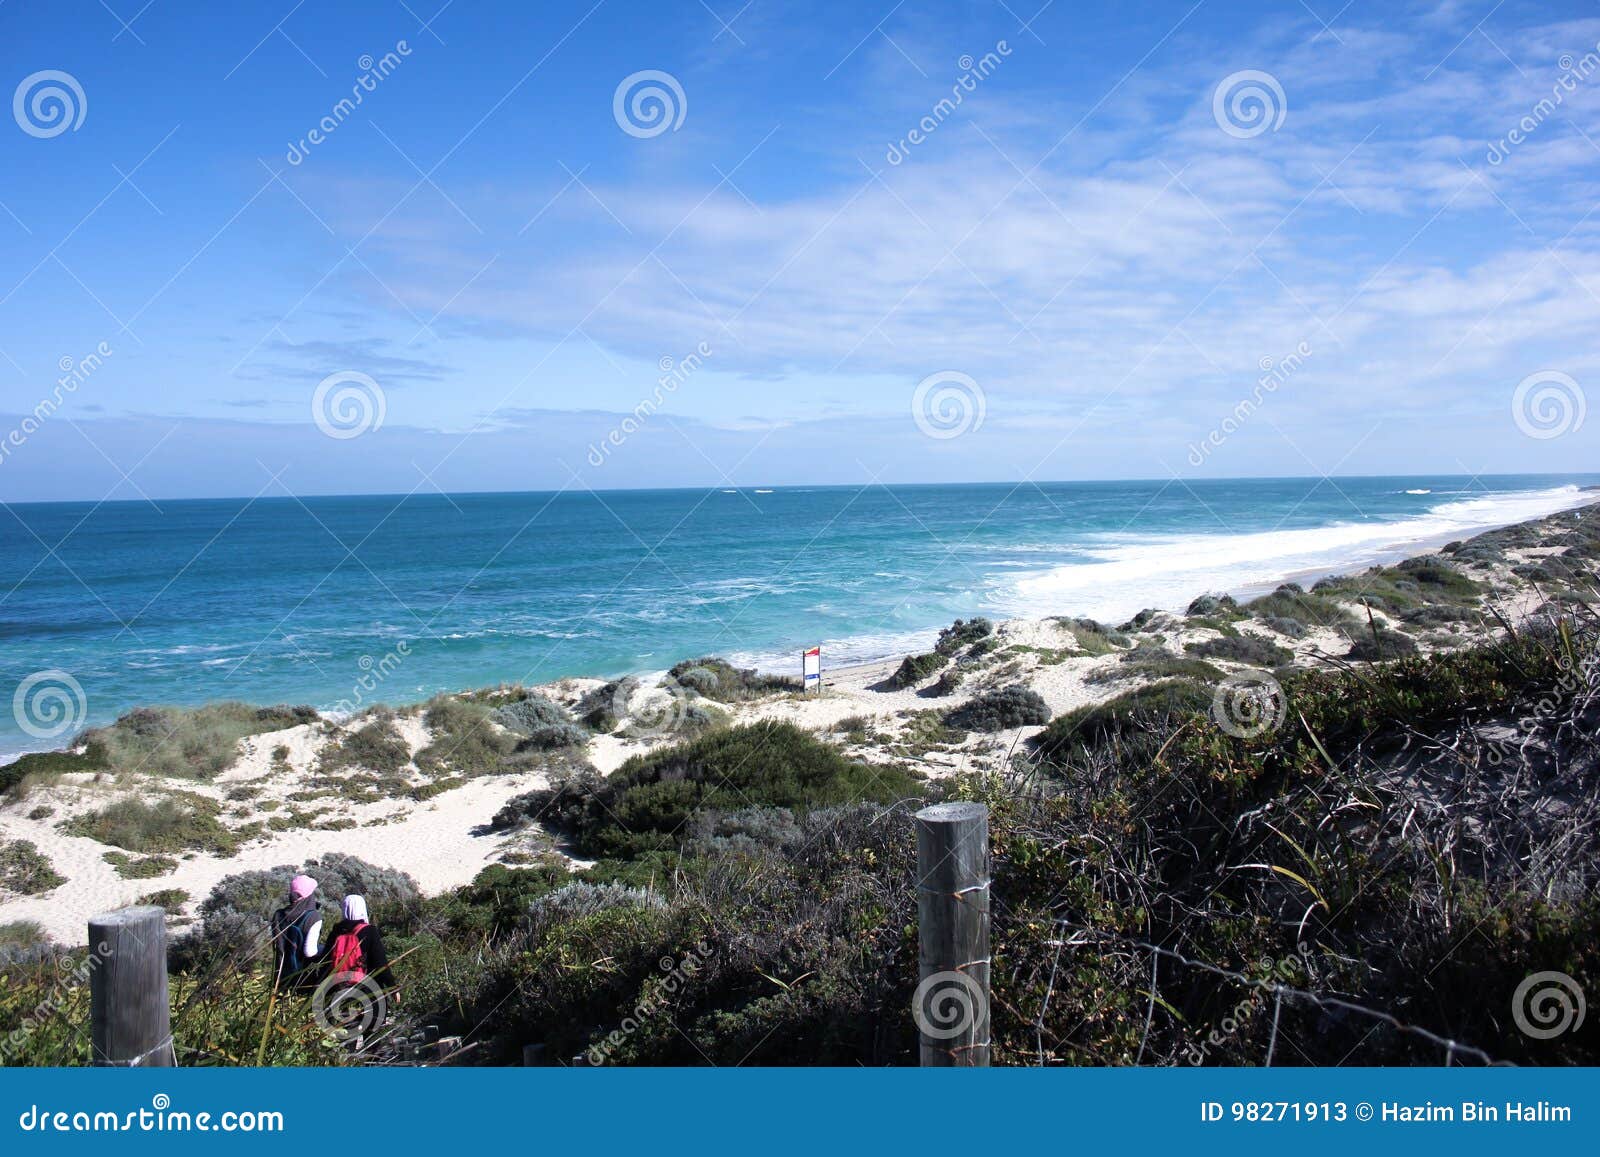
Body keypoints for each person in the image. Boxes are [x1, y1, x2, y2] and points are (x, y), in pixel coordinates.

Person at [320, 894, 396, 1017]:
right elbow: (380, 963)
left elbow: (325, 962)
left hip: (339, 989)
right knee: (372, 1027)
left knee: (343, 1031)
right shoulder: (370, 931)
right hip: (367, 990)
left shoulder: (336, 931)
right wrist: (392, 986)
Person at [270, 874, 324, 990]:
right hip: (300, 979)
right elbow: (309, 952)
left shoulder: (278, 914)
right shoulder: (313, 917)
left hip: (279, 978)